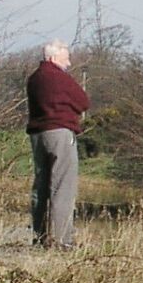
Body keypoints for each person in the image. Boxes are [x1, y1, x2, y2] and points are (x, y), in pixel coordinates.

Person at [26, 39, 89, 248]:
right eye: (66, 58)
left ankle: (40, 235)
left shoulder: (34, 79)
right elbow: (83, 101)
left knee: (41, 185)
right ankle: (62, 239)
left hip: (37, 135)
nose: (69, 63)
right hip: (61, 132)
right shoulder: (60, 78)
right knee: (63, 186)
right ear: (54, 58)